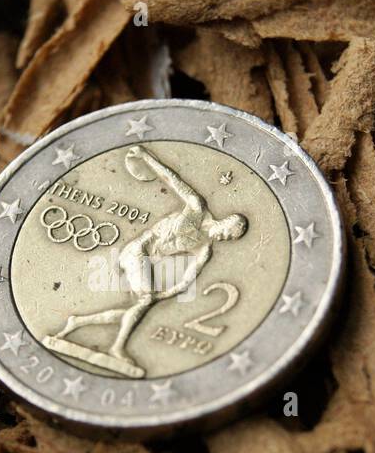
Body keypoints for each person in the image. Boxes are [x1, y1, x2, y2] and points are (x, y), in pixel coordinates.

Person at [50, 146, 247, 371]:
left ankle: (77, 322)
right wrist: (146, 156)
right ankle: (116, 348)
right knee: (143, 303)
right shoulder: (196, 209)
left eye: (231, 239)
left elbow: (186, 282)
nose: (226, 238)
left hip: (144, 262)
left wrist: (162, 295)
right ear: (226, 221)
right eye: (230, 232)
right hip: (137, 250)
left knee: (138, 309)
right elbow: (171, 179)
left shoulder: (205, 249)